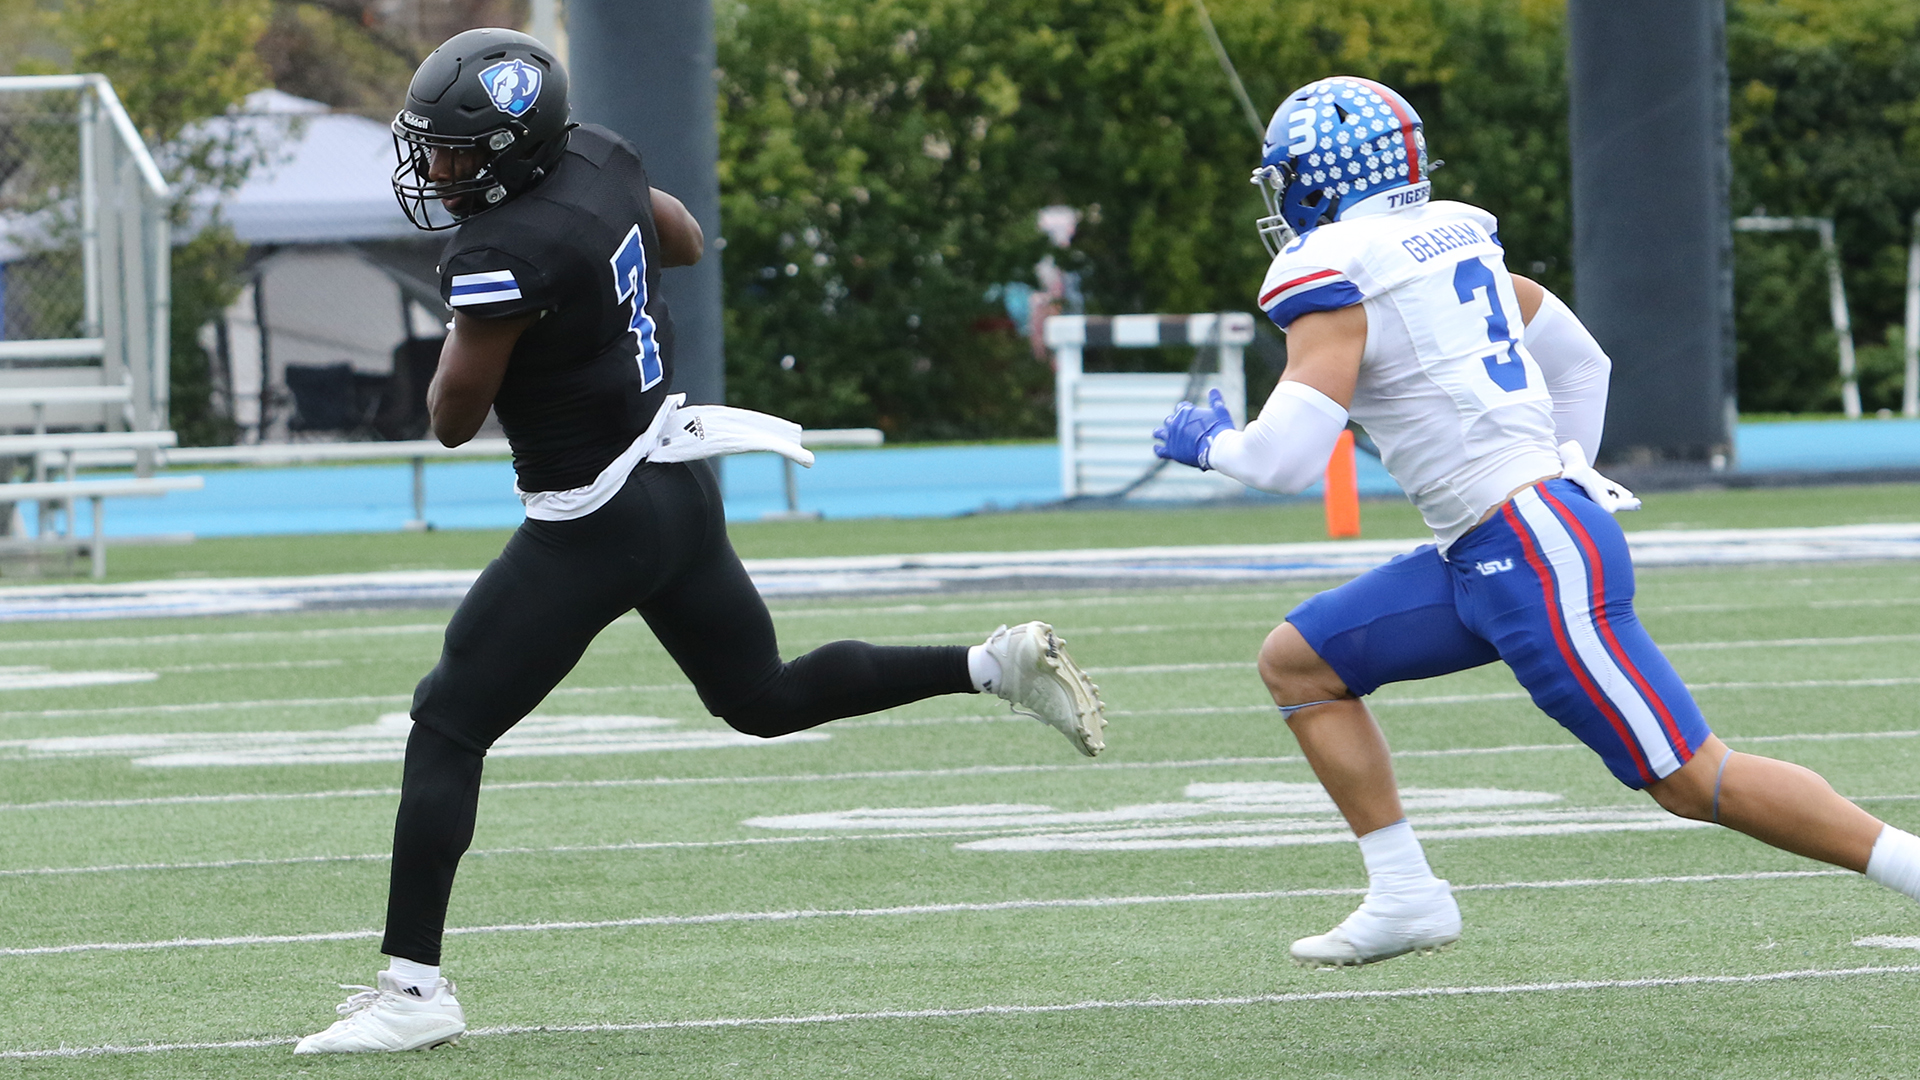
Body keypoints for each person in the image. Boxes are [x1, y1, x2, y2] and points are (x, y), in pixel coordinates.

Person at [296, 28, 1108, 1054]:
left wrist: (509, 313)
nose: (435, 169)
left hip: (596, 516)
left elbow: (453, 417)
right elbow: (680, 239)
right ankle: (990, 666)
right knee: (759, 698)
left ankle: (413, 993)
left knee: (447, 725)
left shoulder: (504, 251)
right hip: (677, 478)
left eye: (455, 151)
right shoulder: (600, 156)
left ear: (510, 152)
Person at [1152, 75, 1920, 968]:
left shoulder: (1335, 275)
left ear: (1321, 177)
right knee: (1300, 662)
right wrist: (1567, 469)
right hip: (1494, 545)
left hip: (1526, 546)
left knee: (1689, 776)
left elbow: (1282, 461)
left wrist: (1211, 443)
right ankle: (1405, 892)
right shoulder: (1451, 243)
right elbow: (1582, 361)